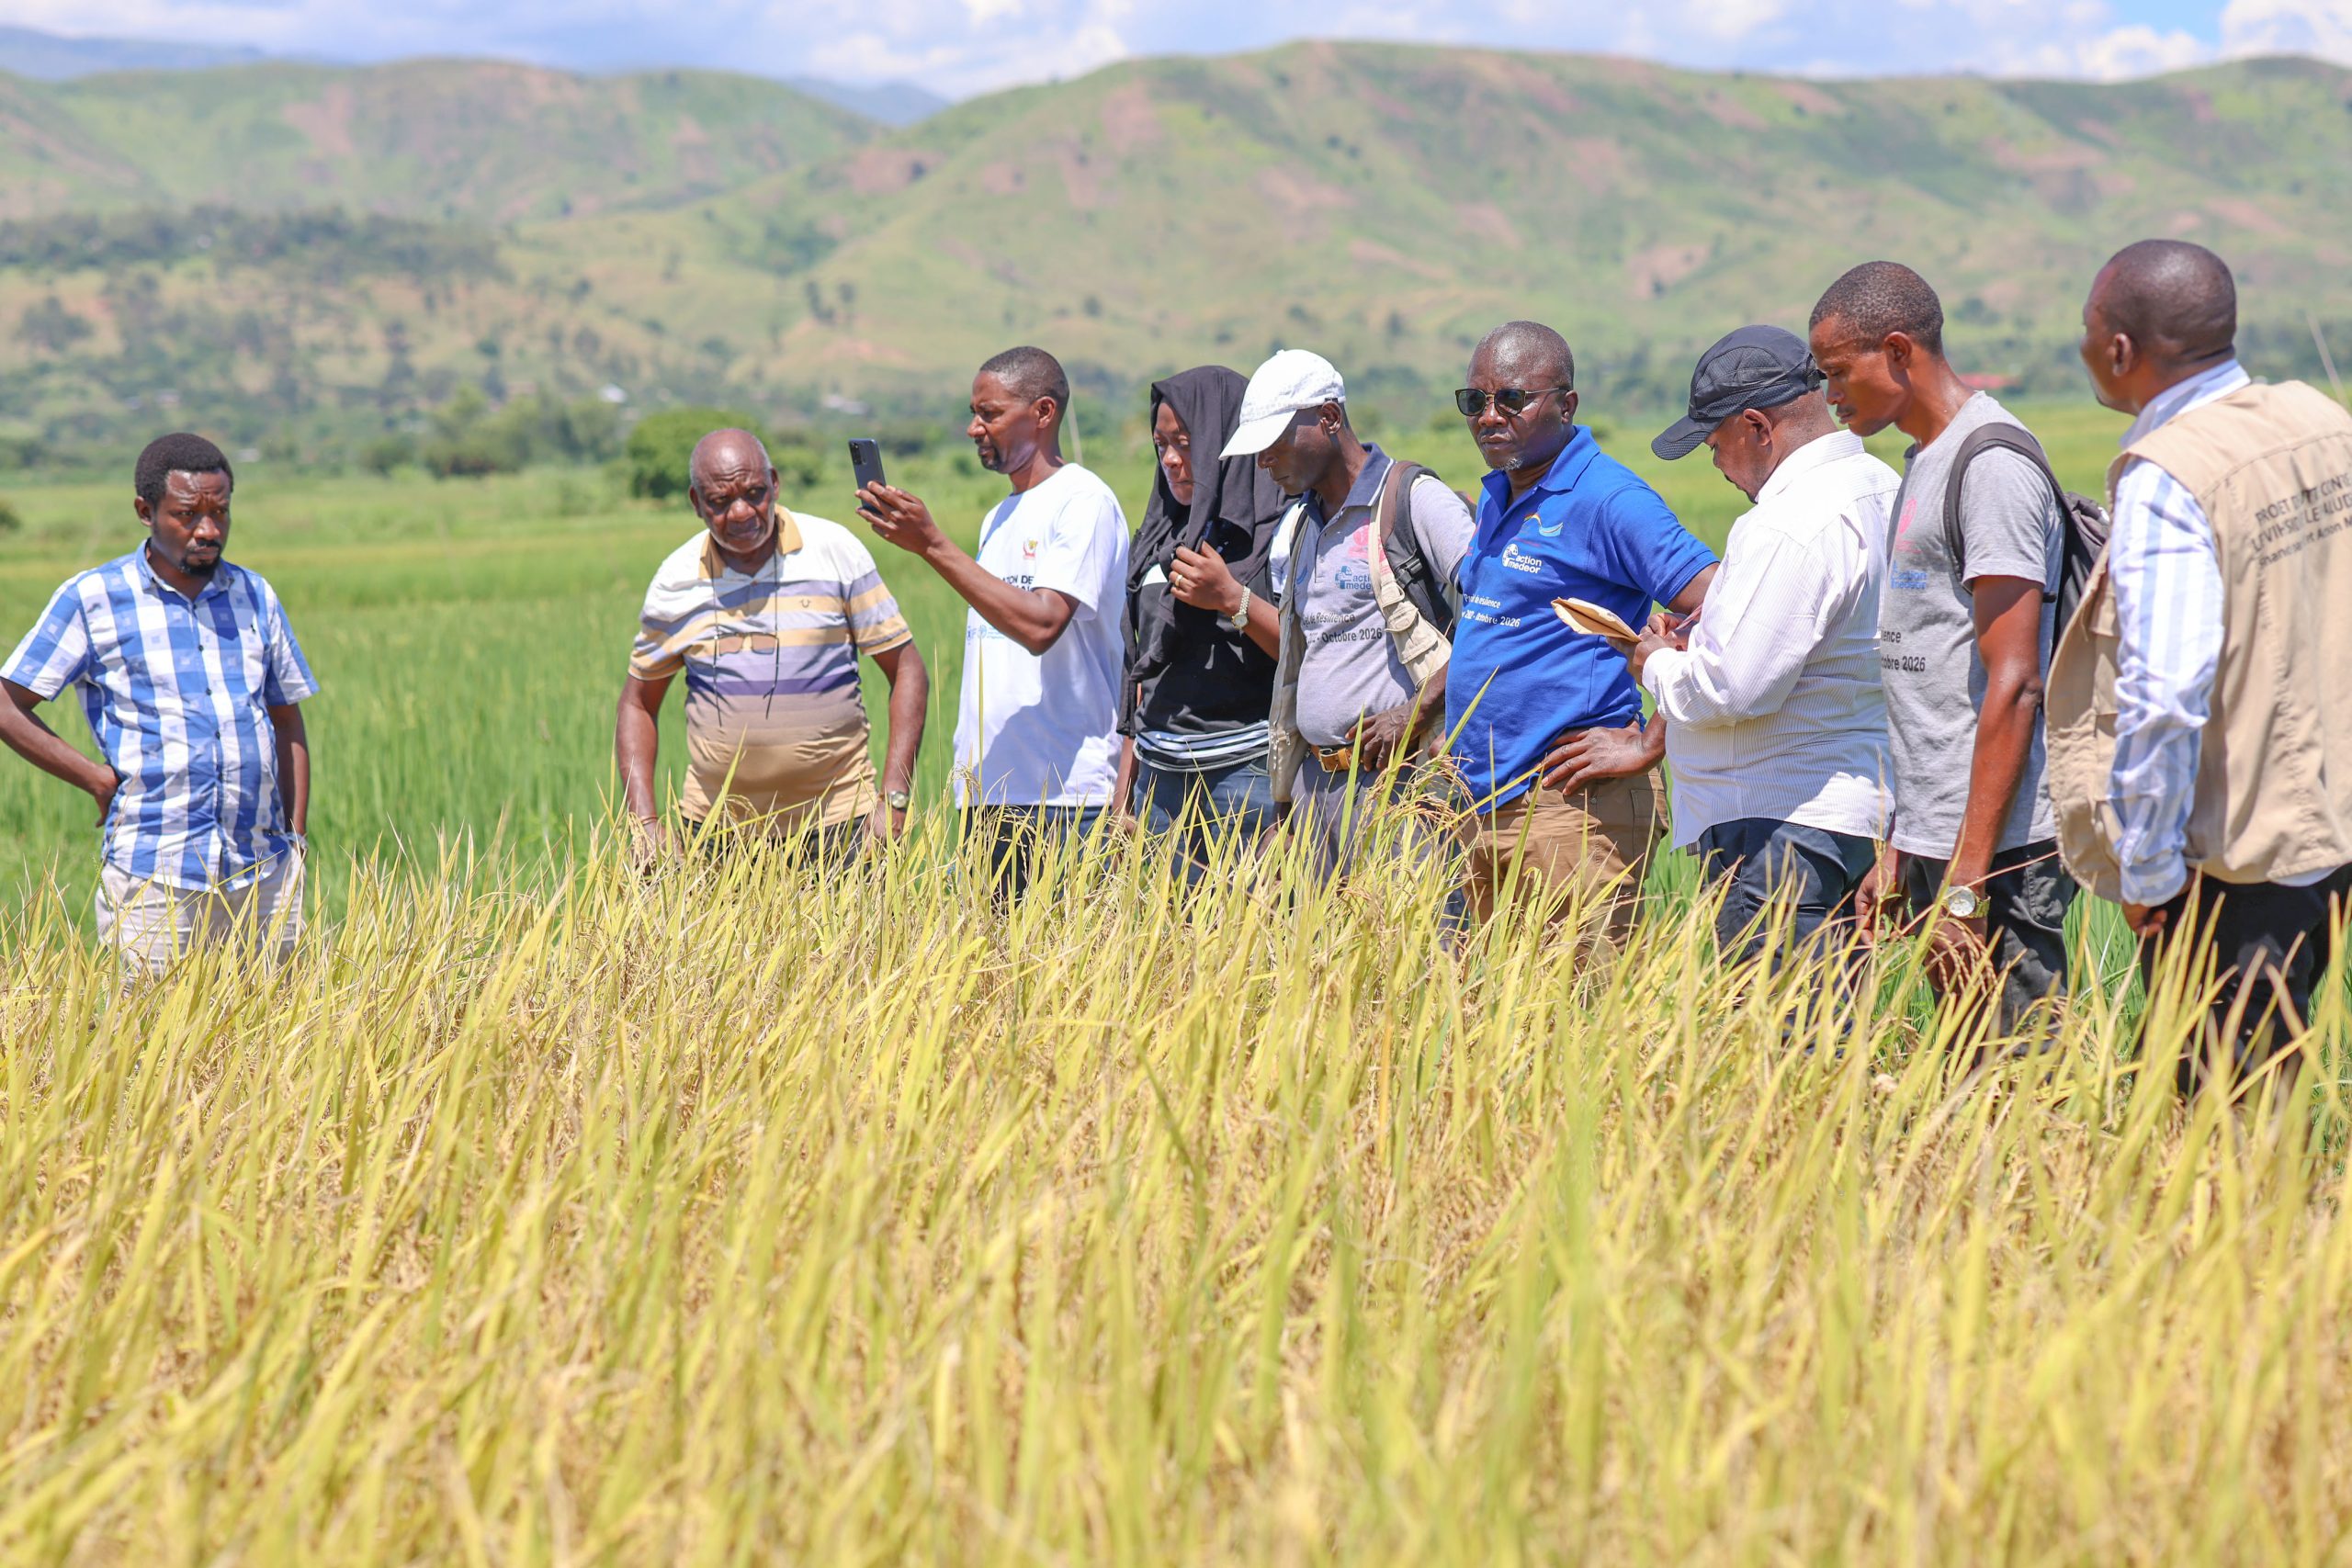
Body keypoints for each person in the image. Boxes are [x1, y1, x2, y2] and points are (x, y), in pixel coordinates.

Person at [2052, 240, 2352, 1092]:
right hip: (2326, 829)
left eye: (2089, 331)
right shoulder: (2321, 421)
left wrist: (2147, 872)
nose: (2084, 350)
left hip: (2233, 860)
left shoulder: (2168, 475)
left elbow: (2165, 692)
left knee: (2216, 1126)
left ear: (2119, 350)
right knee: (2262, 1093)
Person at [1809, 262, 2077, 1035]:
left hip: (1998, 847)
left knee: (2023, 1071)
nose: (1830, 396)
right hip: (1941, 834)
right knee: (1964, 1063)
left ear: (1897, 351)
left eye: (1836, 372)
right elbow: (1929, 671)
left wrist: (1966, 882)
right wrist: (1903, 843)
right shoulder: (1925, 457)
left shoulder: (1988, 463)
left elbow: (2016, 681)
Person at [1616, 326, 1899, 969]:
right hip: (1849, 819)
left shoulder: (1788, 521)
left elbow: (1731, 688)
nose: (1717, 466)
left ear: (1757, 427)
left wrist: (1655, 660)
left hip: (1778, 834)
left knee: (1776, 1053)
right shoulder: (1880, 487)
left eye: (1717, 445)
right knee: (1826, 1043)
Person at [0, 434, 317, 978]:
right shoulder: (94, 598)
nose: (208, 530)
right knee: (152, 1045)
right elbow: (7, 702)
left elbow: (285, 716)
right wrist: (95, 778)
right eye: (188, 514)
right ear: (146, 512)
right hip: (155, 873)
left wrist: (296, 839)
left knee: (274, 1040)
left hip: (262, 870)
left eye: (220, 512)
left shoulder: (254, 595)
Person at [1445, 321, 1716, 942]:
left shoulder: (1609, 498)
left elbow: (1727, 606)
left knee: (1581, 1023)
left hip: (1571, 807)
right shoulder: (1500, 494)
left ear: (1567, 405)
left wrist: (1652, 739)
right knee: (1506, 1027)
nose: (1489, 417)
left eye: (1511, 398)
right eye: (1475, 401)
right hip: (1488, 805)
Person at [860, 346, 1128, 894]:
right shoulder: (998, 517)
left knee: (1071, 970)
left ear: (1044, 413)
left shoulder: (1083, 502)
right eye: (974, 412)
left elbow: (1041, 626)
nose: (973, 428)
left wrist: (933, 545)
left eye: (990, 414)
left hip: (1066, 798)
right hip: (991, 796)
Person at [616, 427, 925, 864]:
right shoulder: (676, 579)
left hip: (842, 829)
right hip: (718, 836)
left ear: (775, 483)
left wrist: (894, 800)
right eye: (720, 502)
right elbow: (637, 704)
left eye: (755, 493)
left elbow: (908, 669)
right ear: (696, 503)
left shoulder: (834, 552)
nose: (741, 513)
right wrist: (645, 825)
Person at [1220, 349, 1475, 880]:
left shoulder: (1412, 500)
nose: (1263, 460)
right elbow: (1301, 664)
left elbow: (1499, 613)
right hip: (1319, 788)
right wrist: (1288, 805)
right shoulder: (1297, 528)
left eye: (1275, 441)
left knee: (1413, 949)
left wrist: (1416, 710)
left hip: (1400, 785)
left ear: (1330, 419)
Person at [1113, 366, 1287, 877]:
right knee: (1167, 951)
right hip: (1161, 787)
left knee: (1255, 944)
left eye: (1185, 442)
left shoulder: (1275, 531)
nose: (1170, 459)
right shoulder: (1157, 535)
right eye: (1160, 443)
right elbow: (1144, 677)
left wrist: (1230, 597)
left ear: (1223, 440)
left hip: (1247, 779)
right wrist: (1127, 795)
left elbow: (1308, 656)